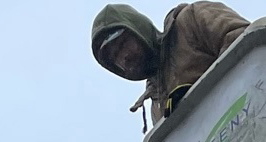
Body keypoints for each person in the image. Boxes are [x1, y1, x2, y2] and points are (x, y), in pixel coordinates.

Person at [91, 3, 251, 125]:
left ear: (138, 30)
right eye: (115, 57)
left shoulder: (191, 21)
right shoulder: (156, 105)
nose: (123, 57)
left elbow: (248, 43)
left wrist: (199, 92)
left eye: (124, 43)